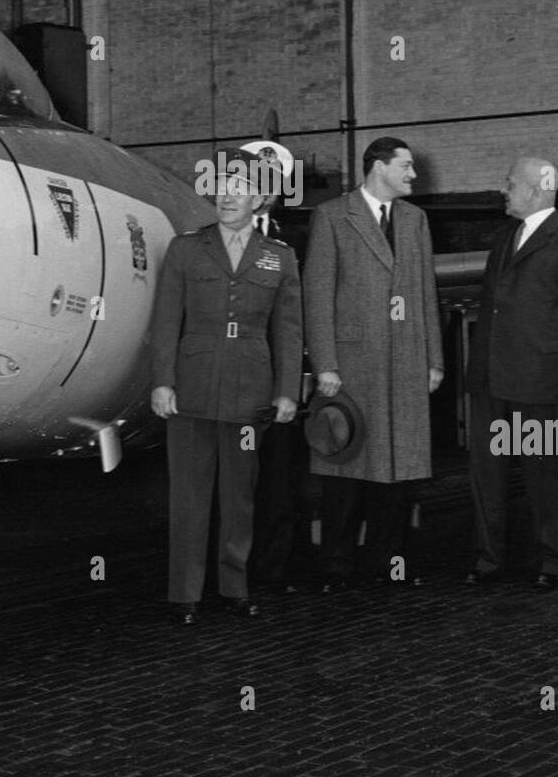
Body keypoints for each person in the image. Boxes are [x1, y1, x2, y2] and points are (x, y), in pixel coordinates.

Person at [150, 158, 303, 624]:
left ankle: (233, 587)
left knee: (239, 497)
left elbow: (289, 331)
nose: (228, 195)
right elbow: (164, 321)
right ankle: (185, 595)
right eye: (223, 187)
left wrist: (286, 391)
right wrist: (162, 381)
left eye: (240, 188)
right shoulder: (185, 250)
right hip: (192, 392)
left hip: (249, 395)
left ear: (260, 200)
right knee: (189, 497)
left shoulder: (280, 256)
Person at [304, 137, 443, 591]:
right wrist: (325, 363)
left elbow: (425, 293)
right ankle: (335, 567)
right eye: (405, 166)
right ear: (378, 167)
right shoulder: (332, 216)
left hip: (405, 359)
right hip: (351, 363)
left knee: (399, 471)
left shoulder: (415, 220)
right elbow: (317, 295)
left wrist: (434, 359)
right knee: (345, 466)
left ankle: (390, 563)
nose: (413, 175)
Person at [465, 156, 558, 589]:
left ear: (537, 189)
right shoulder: (504, 239)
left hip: (539, 381)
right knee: (487, 477)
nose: (503, 190)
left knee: (542, 476)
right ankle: (490, 562)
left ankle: (551, 563)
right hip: (490, 379)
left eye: (510, 183)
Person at [239, 139, 312, 597]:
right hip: (232, 378)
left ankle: (274, 569)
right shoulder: (213, 235)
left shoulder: (301, 240)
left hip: (282, 383)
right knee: (232, 481)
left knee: (280, 482)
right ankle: (230, 570)